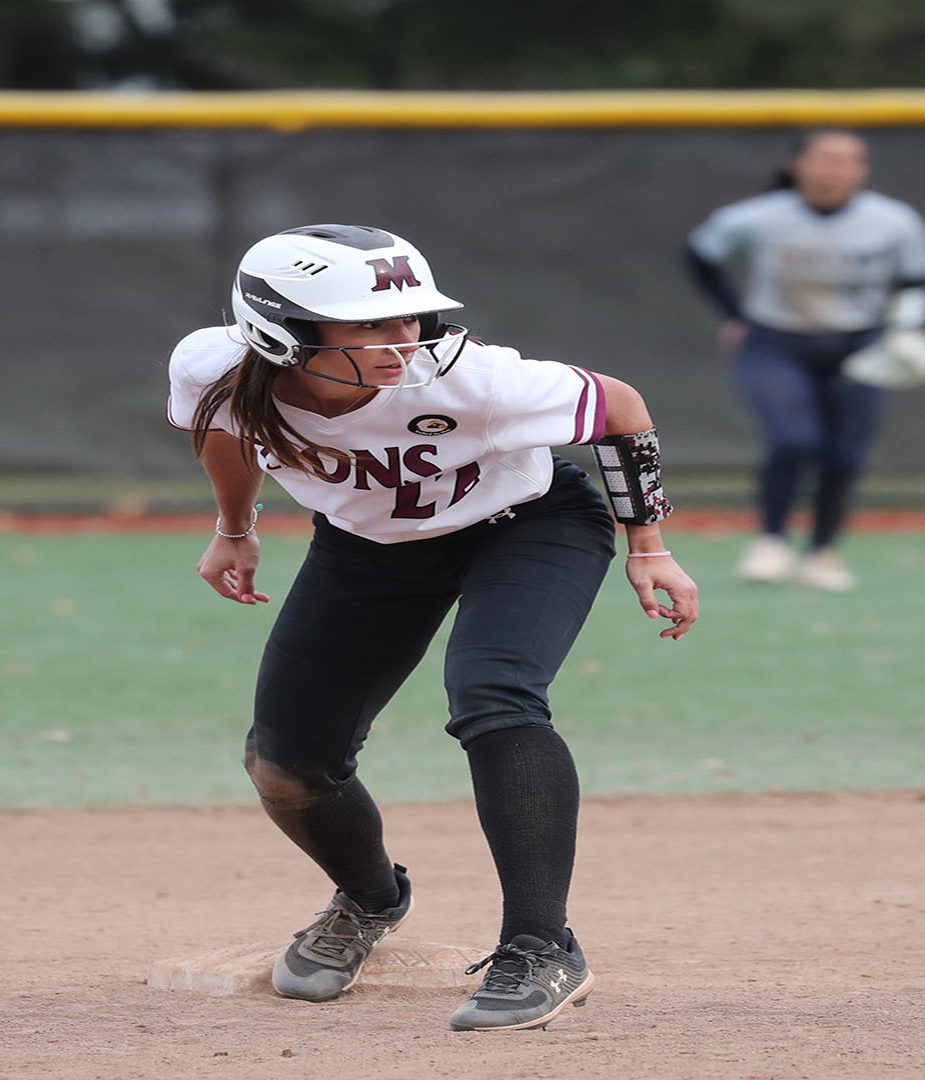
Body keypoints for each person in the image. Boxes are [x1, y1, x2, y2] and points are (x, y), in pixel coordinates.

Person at [167, 224, 699, 1032]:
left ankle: (542, 946)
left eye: (411, 316)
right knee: (286, 763)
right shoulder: (214, 367)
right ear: (281, 333)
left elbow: (619, 408)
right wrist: (234, 528)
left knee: (494, 696)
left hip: (526, 525)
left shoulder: (466, 381)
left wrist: (649, 547)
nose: (403, 338)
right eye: (370, 324)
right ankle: (370, 900)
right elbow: (228, 430)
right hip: (368, 545)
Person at [684, 130, 925, 591]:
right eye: (826, 159)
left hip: (859, 346)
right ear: (797, 165)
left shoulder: (892, 220)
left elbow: (919, 278)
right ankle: (772, 540)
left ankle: (822, 551)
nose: (837, 170)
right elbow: (700, 253)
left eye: (850, 161)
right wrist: (734, 314)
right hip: (776, 342)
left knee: (844, 455)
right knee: (792, 439)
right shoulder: (760, 216)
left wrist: (906, 326)